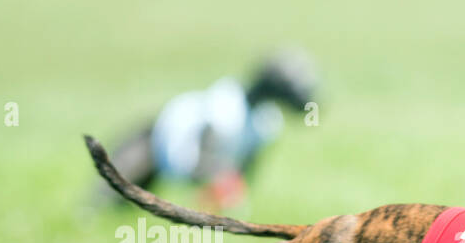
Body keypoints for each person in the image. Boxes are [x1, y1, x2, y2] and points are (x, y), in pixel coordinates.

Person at [95, 49, 318, 210]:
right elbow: (201, 159)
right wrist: (223, 183)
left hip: (189, 162)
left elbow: (246, 169)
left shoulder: (266, 124)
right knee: (112, 199)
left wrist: (231, 192)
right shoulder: (223, 109)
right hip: (154, 142)